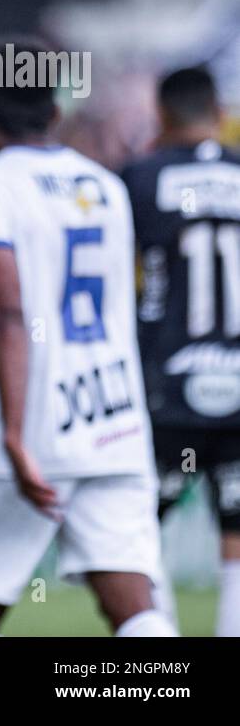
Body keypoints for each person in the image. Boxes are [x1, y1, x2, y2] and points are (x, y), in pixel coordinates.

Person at [0, 37, 175, 637]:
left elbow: (10, 311)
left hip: (26, 433)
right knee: (133, 607)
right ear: (56, 109)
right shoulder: (107, 188)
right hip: (112, 421)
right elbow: (74, 316)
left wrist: (10, 428)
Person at [121, 65, 240, 636]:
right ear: (218, 112)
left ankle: (161, 671)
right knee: (237, 537)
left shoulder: (139, 179)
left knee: (138, 532)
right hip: (239, 384)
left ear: (162, 115)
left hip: (164, 384)